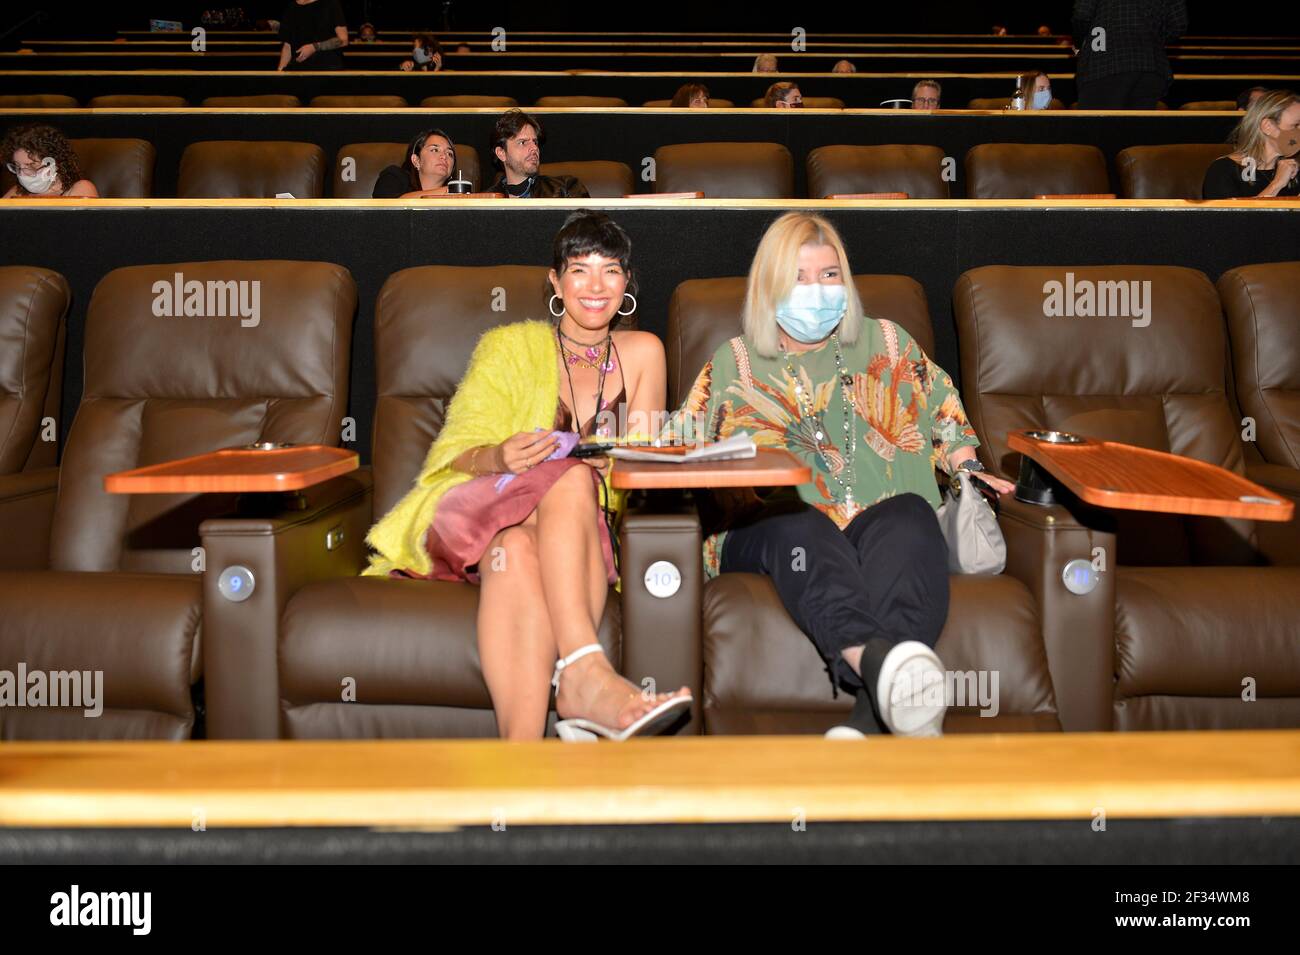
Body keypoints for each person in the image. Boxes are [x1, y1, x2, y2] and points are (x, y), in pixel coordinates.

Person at [661, 212, 1016, 738]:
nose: (816, 290)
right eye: (798, 278)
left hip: (879, 525)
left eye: (829, 275)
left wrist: (967, 467)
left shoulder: (889, 345)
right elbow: (680, 447)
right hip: (773, 530)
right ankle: (878, 670)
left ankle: (872, 716)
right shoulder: (733, 362)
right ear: (769, 288)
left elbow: (947, 418)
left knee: (913, 513)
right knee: (791, 517)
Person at [363, 211, 692, 740]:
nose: (595, 286)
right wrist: (501, 456)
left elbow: (644, 462)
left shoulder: (645, 352)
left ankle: (520, 762)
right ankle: (585, 671)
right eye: (579, 270)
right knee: (565, 476)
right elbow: (451, 453)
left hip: (572, 530)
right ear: (555, 282)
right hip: (479, 511)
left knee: (518, 550)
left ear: (627, 284)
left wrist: (615, 463)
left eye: (611, 271)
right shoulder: (508, 347)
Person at [1072, 0, 1188, 109]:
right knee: (1138, 128)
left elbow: (1082, 15)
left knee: (1095, 127)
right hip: (1149, 65)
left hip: (1103, 64)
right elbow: (1178, 24)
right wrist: (1150, 40)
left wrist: (1079, 44)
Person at [1202, 90, 1300, 199]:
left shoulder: (1295, 169)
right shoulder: (1224, 170)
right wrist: (1276, 184)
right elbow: (1230, 216)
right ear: (1268, 127)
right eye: (1296, 125)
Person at [485, 109, 590, 198]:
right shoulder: (484, 201)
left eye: (535, 142)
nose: (534, 148)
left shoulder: (567, 188)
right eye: (523, 142)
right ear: (501, 153)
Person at [2, 124, 97, 198]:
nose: (23, 174)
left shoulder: (81, 188)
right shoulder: (17, 192)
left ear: (54, 164)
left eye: (31, 166)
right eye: (17, 166)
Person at [371, 128, 460, 198]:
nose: (444, 156)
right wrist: (450, 191)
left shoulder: (461, 199)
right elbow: (389, 207)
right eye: (435, 150)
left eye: (449, 154)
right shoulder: (394, 176)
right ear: (416, 160)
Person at [276, 0, 348, 71]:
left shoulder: (331, 3)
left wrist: (314, 47)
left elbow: (343, 40)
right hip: (299, 70)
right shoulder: (291, 7)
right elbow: (287, 46)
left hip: (327, 69)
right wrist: (280, 72)